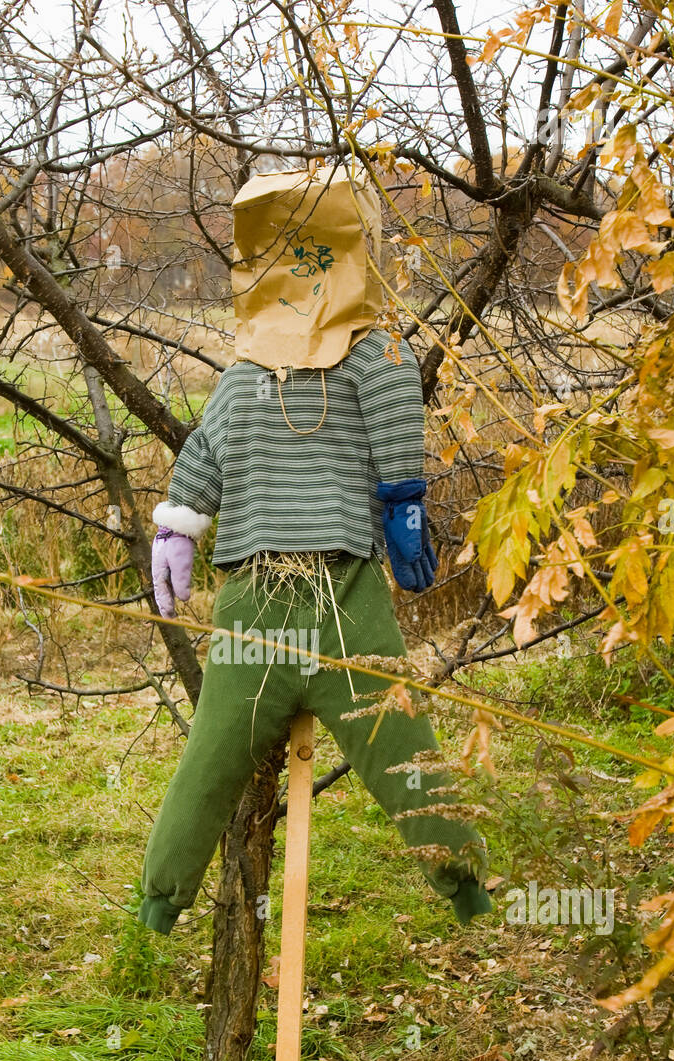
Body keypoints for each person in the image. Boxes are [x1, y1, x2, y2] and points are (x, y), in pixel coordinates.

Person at [138, 167, 492, 936]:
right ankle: (162, 896)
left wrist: (403, 510)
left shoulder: (371, 357)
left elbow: (396, 440)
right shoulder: (253, 373)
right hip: (269, 596)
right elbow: (206, 452)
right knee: (219, 750)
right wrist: (176, 526)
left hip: (340, 594)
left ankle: (460, 876)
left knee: (396, 743)